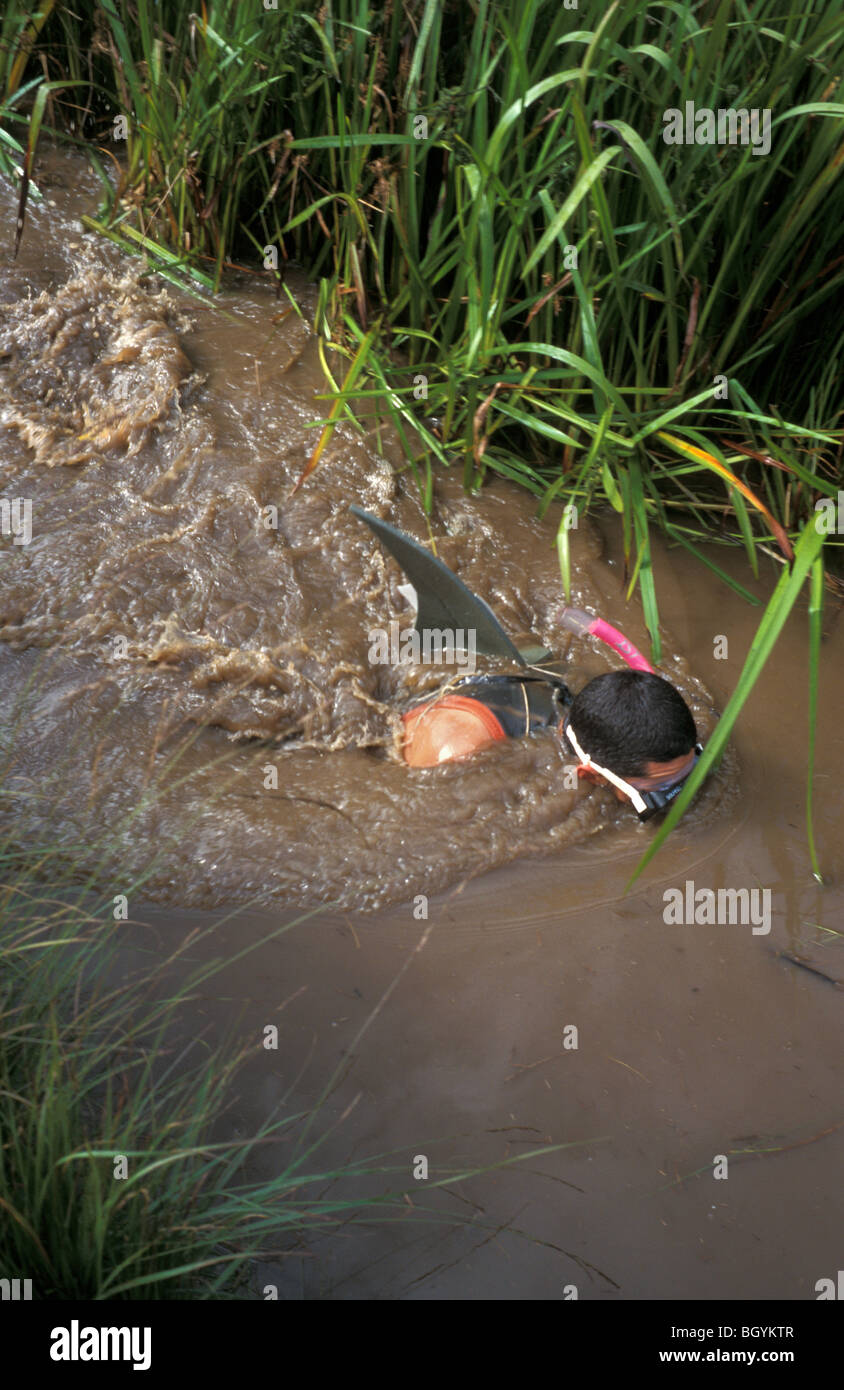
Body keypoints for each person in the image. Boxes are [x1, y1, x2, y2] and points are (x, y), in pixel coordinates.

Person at [401, 664, 702, 822]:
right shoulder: (456, 752)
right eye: (658, 792)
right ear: (589, 774)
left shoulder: (591, 700)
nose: (678, 794)